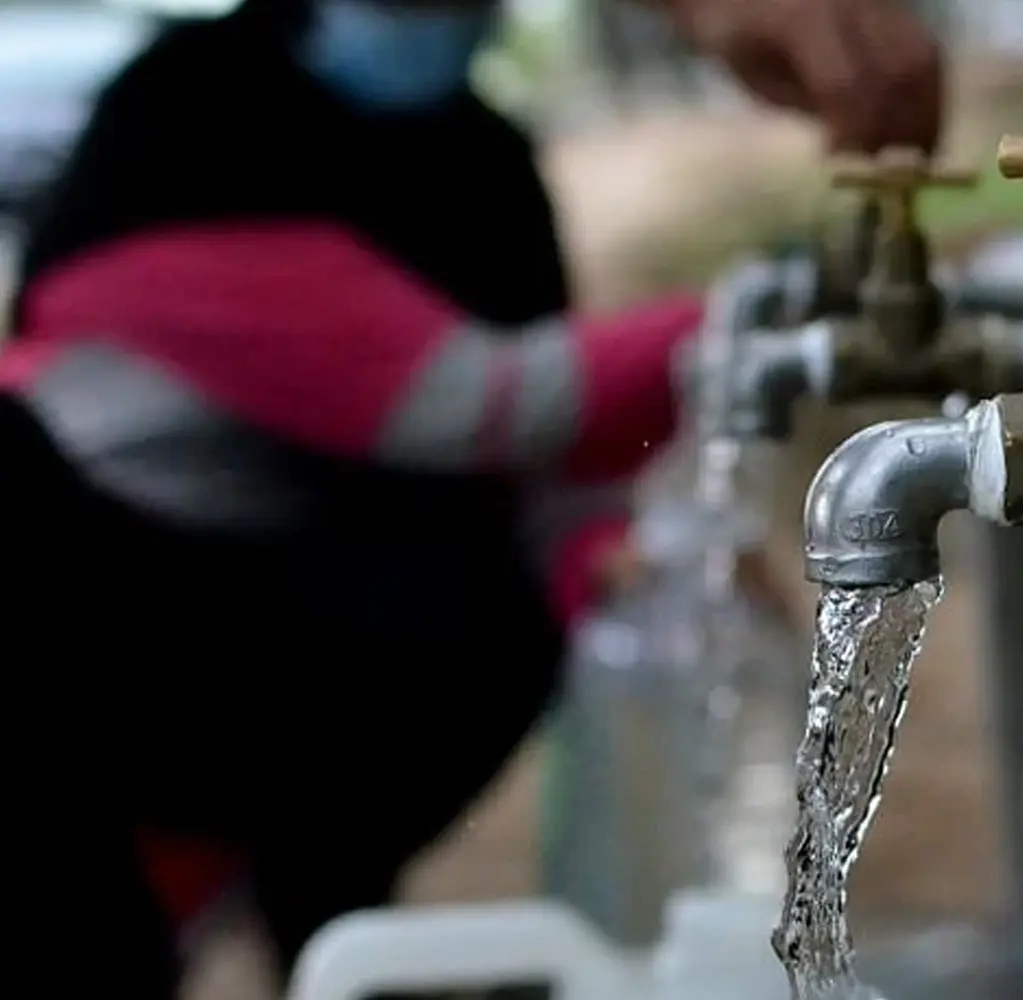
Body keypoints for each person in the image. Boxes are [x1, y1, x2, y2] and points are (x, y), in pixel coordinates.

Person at [0, 0, 943, 997]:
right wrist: (807, 295)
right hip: (100, 590)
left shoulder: (478, 165)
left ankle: (318, 916)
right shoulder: (190, 113)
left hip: (311, 631)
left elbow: (537, 473)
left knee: (481, 609)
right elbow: (470, 400)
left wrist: (618, 554)